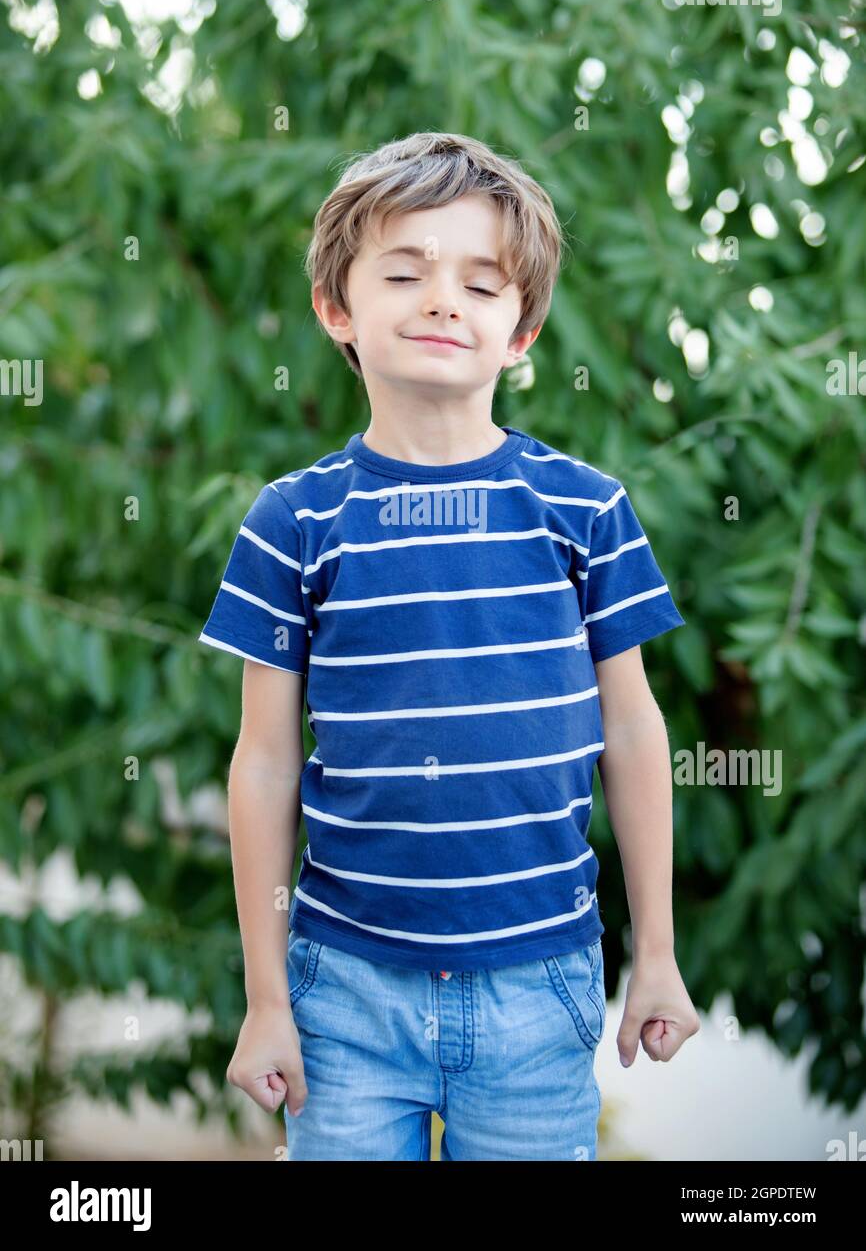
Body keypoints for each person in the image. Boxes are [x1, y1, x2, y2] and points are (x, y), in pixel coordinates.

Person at [199, 130, 701, 1161]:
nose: (442, 301)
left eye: (481, 284)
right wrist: (264, 997)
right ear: (337, 307)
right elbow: (262, 759)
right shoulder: (293, 522)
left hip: (539, 984)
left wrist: (653, 950)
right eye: (404, 272)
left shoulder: (583, 511)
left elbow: (632, 727)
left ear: (519, 332)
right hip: (343, 992)